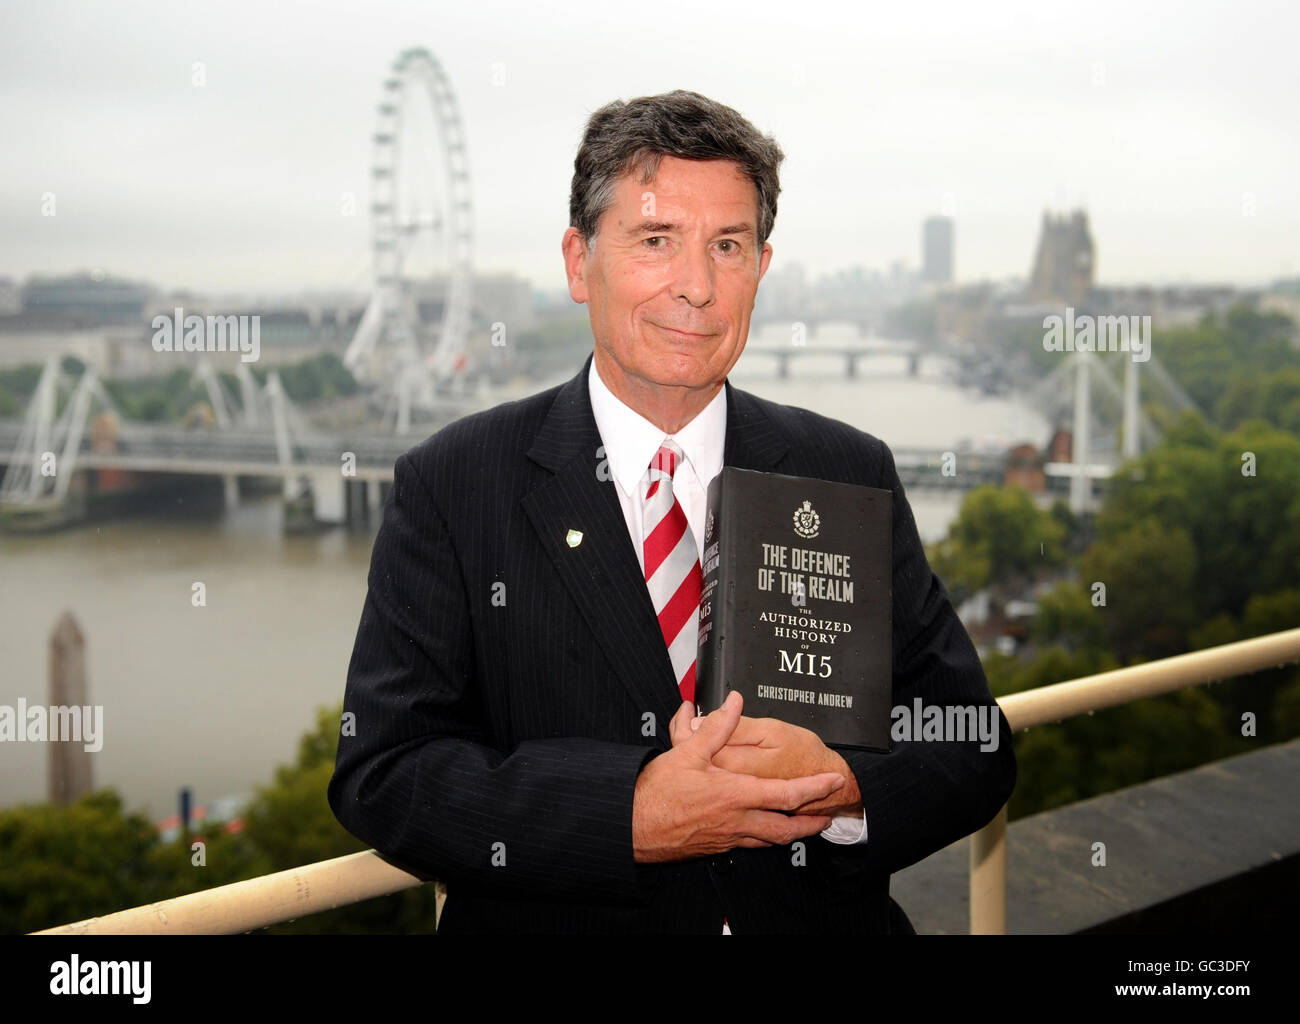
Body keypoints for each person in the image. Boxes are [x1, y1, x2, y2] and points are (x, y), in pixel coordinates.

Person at [328, 89, 1016, 933]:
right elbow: (386, 772)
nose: (696, 287)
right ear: (580, 264)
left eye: (727, 245)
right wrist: (625, 815)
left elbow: (971, 742)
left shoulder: (846, 470)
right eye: (656, 241)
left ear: (761, 269)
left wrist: (841, 789)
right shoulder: (454, 484)